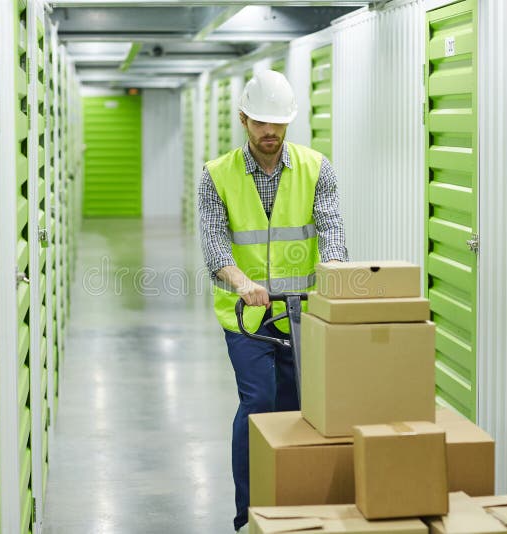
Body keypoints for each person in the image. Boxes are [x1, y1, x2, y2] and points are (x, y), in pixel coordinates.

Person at [197, 70, 348, 533]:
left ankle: (296, 507)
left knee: (299, 406)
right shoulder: (215, 176)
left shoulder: (316, 168)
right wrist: (241, 282)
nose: (270, 133)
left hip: (301, 312)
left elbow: (332, 229)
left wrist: (336, 275)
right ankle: (250, 513)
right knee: (259, 401)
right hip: (246, 317)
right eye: (261, 122)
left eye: (278, 124)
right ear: (244, 119)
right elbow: (214, 243)